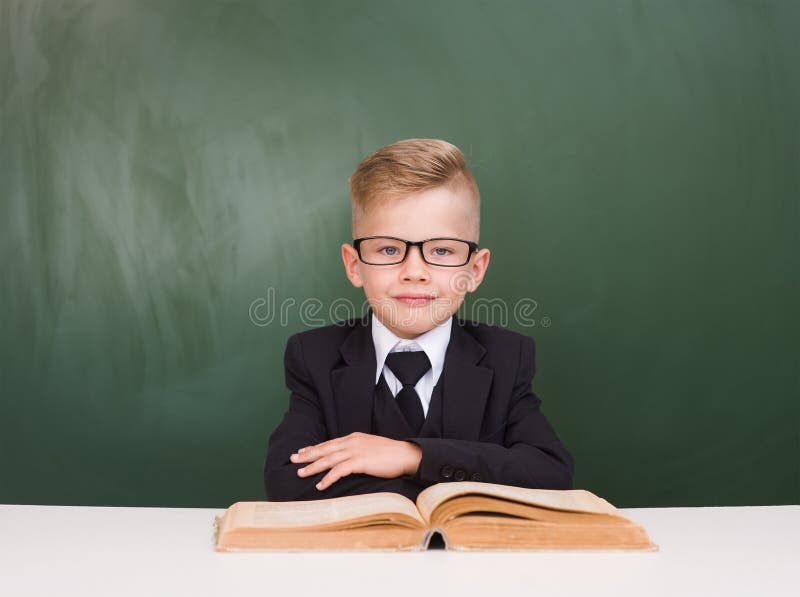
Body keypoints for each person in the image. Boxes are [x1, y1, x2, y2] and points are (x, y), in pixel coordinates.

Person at [264, 138, 573, 502]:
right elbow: (287, 480)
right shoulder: (314, 355)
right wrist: (462, 477)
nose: (415, 272)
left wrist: (412, 457)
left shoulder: (507, 357)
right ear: (354, 265)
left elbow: (550, 475)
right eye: (389, 249)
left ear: (475, 270)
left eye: (441, 250)